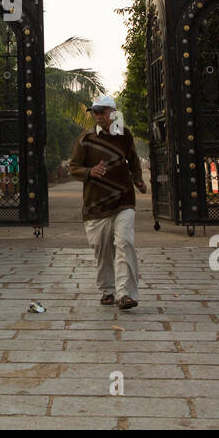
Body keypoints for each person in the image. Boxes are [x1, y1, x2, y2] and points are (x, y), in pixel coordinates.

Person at [68, 94, 147, 310]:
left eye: (102, 112)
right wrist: (90, 171)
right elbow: (73, 167)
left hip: (124, 199)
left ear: (113, 113)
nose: (98, 116)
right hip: (96, 204)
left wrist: (138, 179)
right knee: (102, 250)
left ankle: (126, 294)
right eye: (95, 112)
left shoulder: (124, 135)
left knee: (125, 243)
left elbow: (133, 160)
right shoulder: (86, 139)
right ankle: (107, 290)